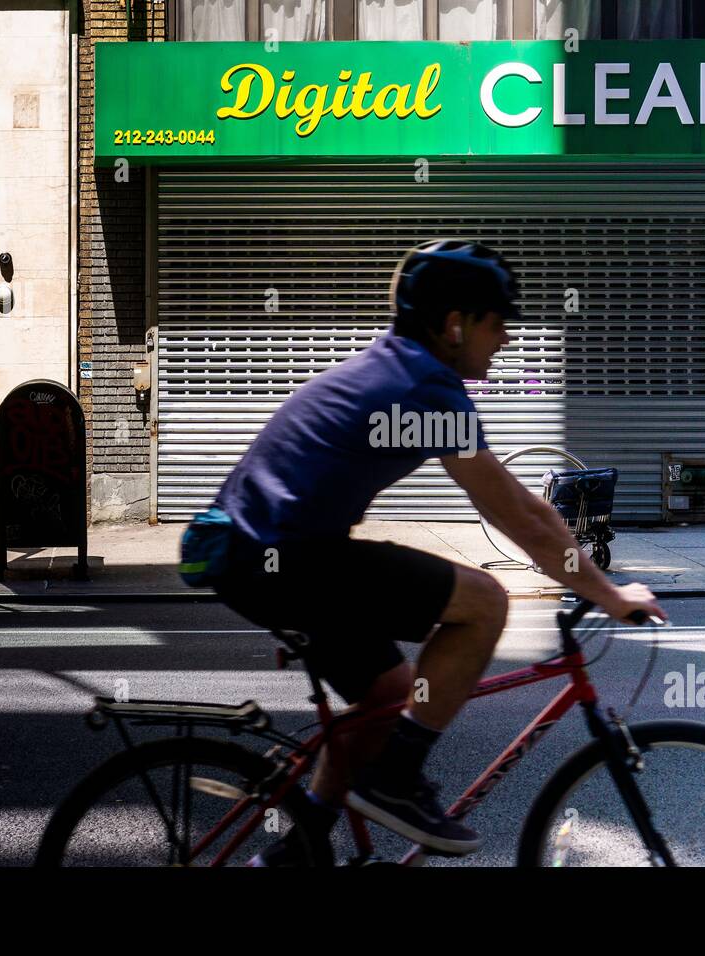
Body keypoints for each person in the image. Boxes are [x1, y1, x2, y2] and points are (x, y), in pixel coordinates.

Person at [211, 239, 666, 864]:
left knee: (388, 699)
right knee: (484, 602)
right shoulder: (425, 384)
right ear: (454, 324)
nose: (506, 337)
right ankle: (392, 783)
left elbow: (520, 510)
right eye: (496, 321)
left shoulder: (403, 368)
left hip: (265, 552)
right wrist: (609, 594)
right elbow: (519, 513)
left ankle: (295, 849)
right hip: (280, 553)